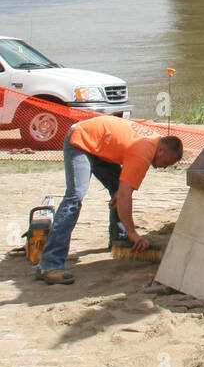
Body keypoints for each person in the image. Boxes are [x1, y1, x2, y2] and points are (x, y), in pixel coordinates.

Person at [37, 116, 183, 286]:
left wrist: (120, 194)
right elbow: (125, 195)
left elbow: (123, 191)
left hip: (99, 145)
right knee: (75, 196)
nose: (164, 167)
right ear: (161, 151)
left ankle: (120, 240)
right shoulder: (143, 152)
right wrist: (133, 232)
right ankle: (49, 264)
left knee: (117, 188)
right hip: (81, 140)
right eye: (166, 162)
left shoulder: (154, 142)